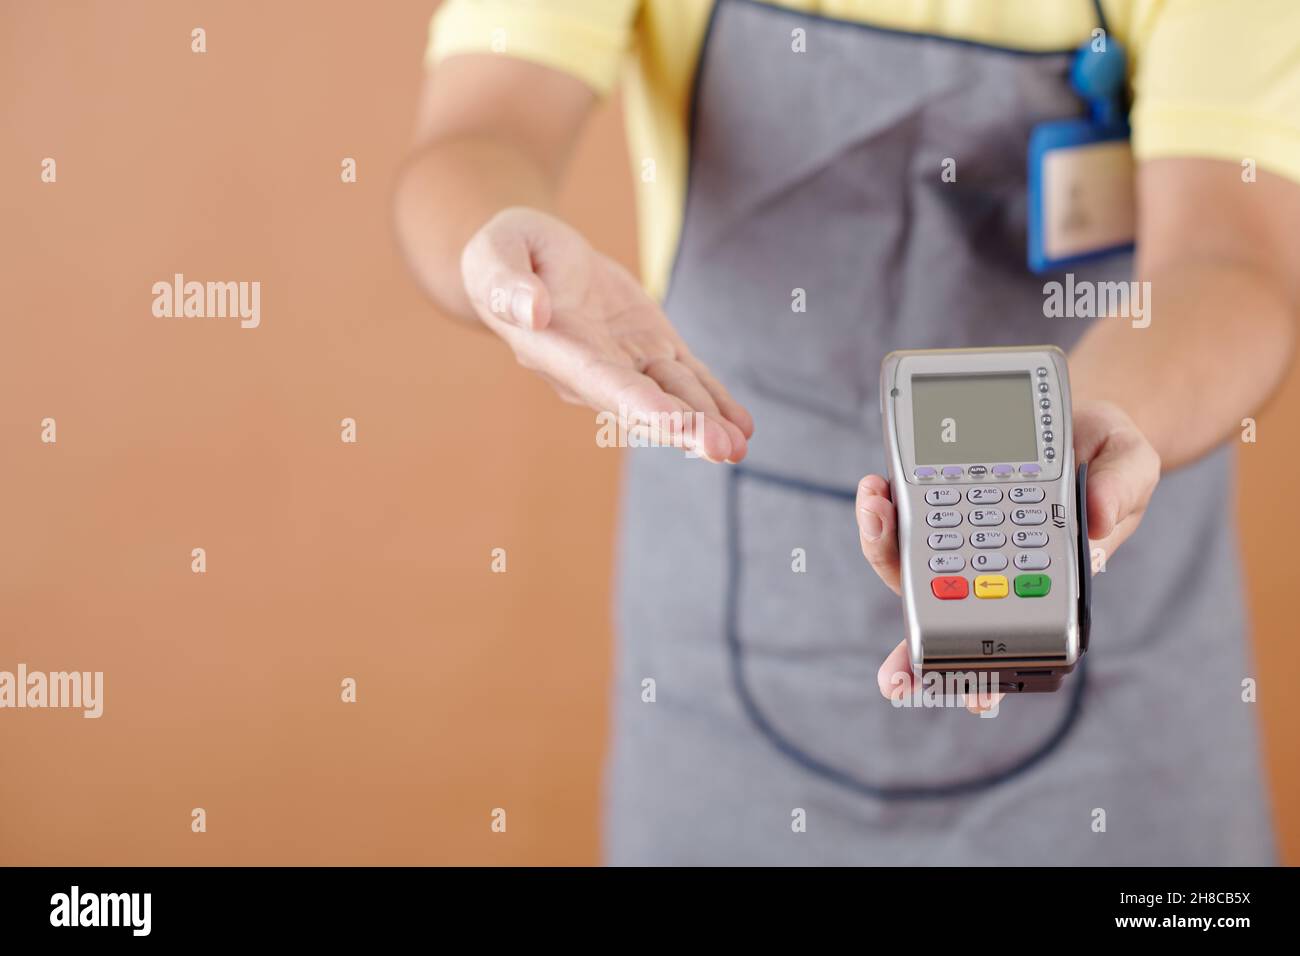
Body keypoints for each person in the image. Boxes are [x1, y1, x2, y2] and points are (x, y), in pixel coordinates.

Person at [395, 0, 1299, 864]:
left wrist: (1080, 435)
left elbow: (1233, 258)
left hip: (1118, 662)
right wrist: (499, 250)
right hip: (719, 673)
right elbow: (476, 136)